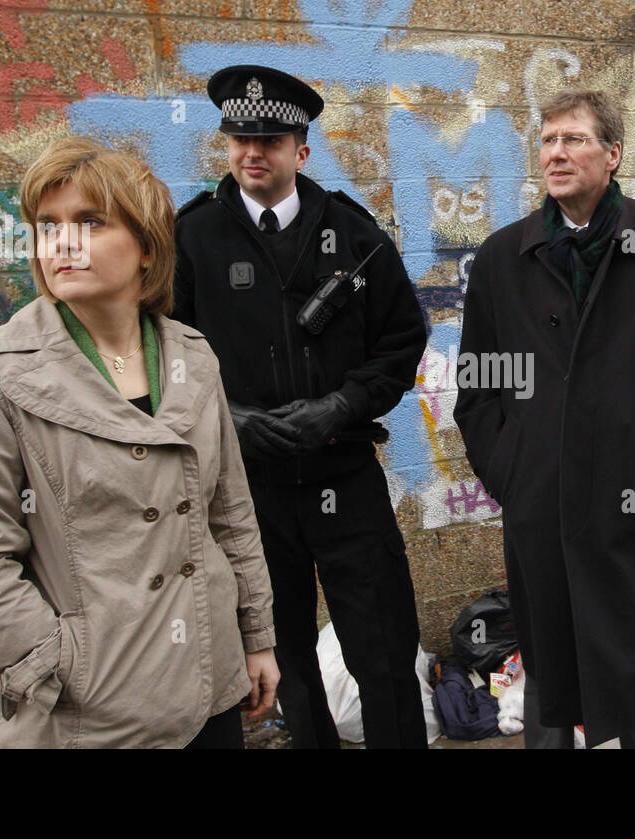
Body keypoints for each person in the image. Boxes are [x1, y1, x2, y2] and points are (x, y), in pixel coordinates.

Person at [0, 136, 279, 748]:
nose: (63, 242)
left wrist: (255, 637)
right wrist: (61, 666)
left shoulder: (193, 358)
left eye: (91, 222)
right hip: (91, 713)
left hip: (207, 680)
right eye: (48, 224)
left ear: (146, 247)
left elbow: (230, 513)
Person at [454, 89, 635, 748]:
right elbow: (480, 385)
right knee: (551, 681)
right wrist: (512, 470)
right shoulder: (505, 259)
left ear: (612, 154)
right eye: (549, 140)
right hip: (542, 511)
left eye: (575, 139)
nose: (557, 152)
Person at [173, 66, 428, 748]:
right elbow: (163, 356)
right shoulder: (191, 239)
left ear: (301, 149)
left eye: (271, 139)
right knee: (283, 661)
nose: (253, 151)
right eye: (239, 138)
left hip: (344, 477)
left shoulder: (353, 234)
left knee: (384, 653)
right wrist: (227, 419)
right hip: (247, 491)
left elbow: (402, 341)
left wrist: (343, 405)